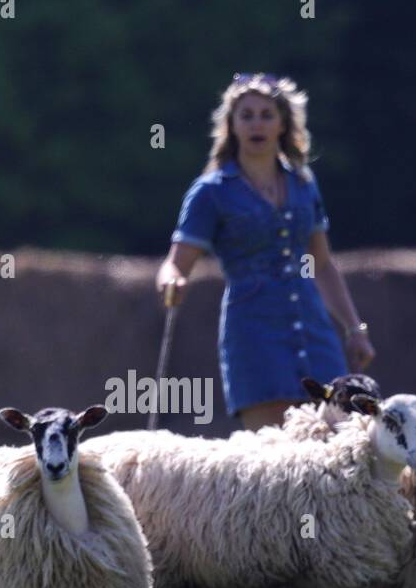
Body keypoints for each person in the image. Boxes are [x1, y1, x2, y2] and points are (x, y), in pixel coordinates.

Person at [156, 73, 374, 431]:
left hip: (314, 330)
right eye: (247, 115)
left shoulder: (304, 183)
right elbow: (175, 264)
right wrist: (173, 281)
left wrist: (354, 329)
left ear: (283, 123)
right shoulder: (211, 192)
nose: (256, 123)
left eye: (266, 114)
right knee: (270, 456)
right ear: (232, 125)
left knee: (337, 443)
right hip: (254, 336)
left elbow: (321, 265)